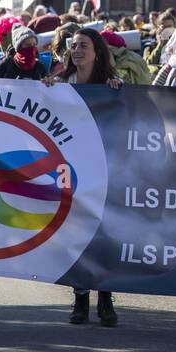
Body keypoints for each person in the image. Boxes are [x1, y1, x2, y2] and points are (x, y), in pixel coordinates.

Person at [43, 28, 124, 325]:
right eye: (73, 46)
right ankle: (80, 299)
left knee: (103, 234)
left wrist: (118, 92)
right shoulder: (61, 82)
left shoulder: (112, 84)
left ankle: (105, 298)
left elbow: (126, 115)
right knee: (76, 234)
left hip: (105, 168)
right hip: (72, 169)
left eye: (83, 46)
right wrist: (46, 90)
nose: (76, 50)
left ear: (97, 51)